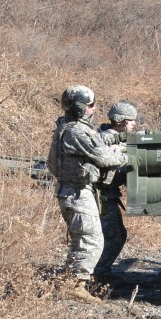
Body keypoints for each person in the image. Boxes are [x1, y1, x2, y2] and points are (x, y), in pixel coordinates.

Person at [47, 86, 129, 303]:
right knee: (91, 238)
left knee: (82, 238)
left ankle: (70, 282)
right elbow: (104, 157)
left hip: (75, 191)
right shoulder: (76, 131)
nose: (93, 109)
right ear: (79, 108)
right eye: (90, 105)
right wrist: (128, 157)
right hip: (77, 192)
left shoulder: (72, 127)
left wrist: (116, 140)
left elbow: (98, 142)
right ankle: (75, 285)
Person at [94, 101, 139, 281]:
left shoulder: (117, 138)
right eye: (131, 120)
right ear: (120, 121)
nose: (134, 123)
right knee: (112, 236)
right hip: (100, 196)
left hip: (108, 195)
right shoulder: (106, 138)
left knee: (118, 235)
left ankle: (101, 271)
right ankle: (97, 273)